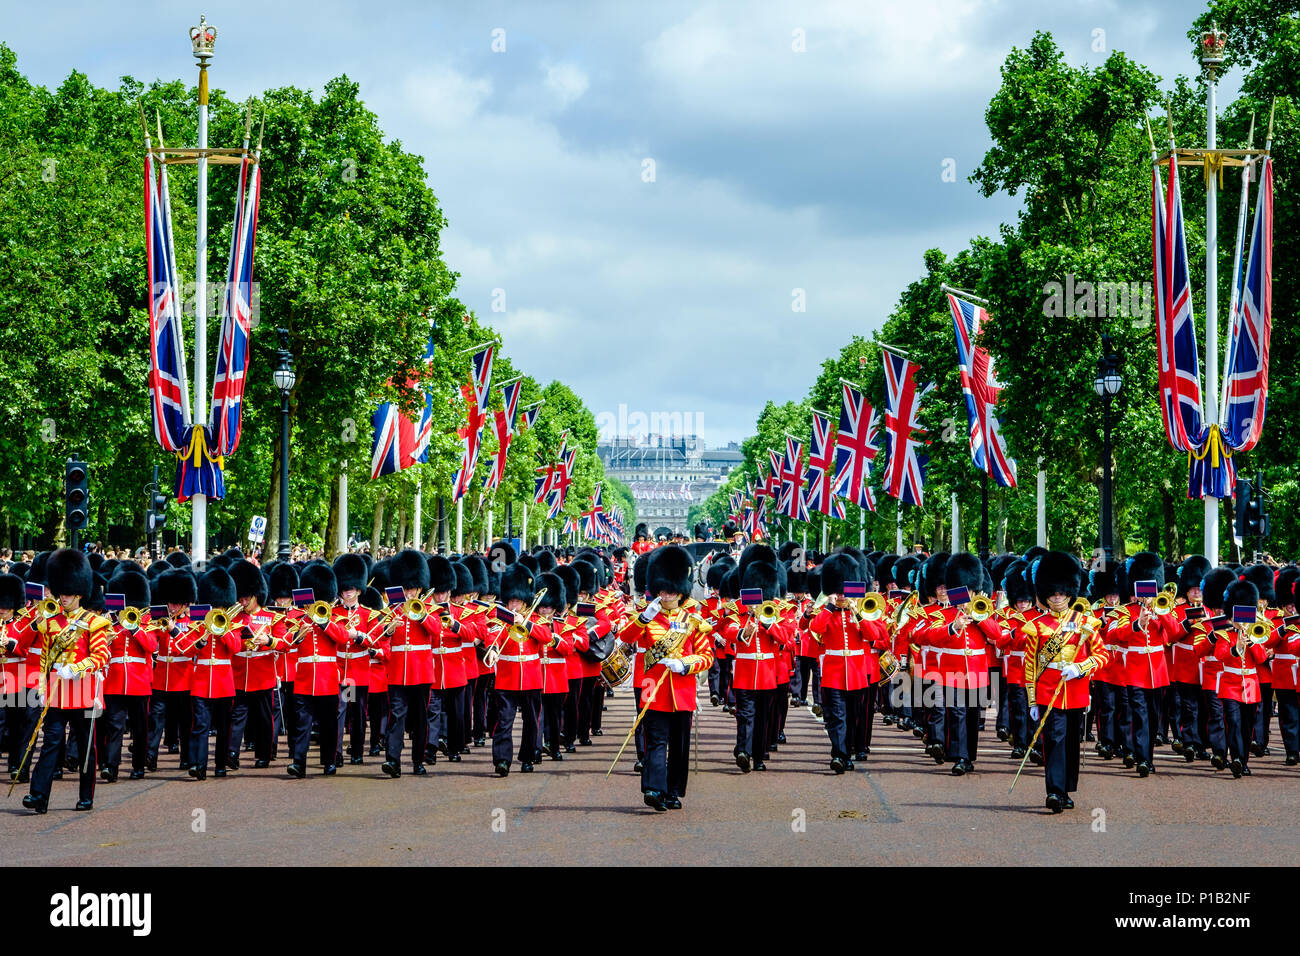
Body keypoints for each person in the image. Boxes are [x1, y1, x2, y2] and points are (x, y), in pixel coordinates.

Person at [618, 545, 714, 811]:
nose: (667, 595)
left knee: (680, 747)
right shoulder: (648, 618)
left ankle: (673, 791)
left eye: (671, 591)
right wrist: (642, 619)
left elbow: (707, 656)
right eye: (663, 590)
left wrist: (684, 664)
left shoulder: (693, 621)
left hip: (682, 692)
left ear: (680, 590)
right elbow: (625, 639)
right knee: (656, 741)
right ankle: (653, 789)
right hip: (653, 690)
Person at [20, 549, 111, 814]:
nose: (63, 597)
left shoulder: (93, 623)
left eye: (67, 593)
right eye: (61, 592)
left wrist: (77, 668)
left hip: (83, 690)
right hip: (58, 691)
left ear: (79, 593)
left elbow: (101, 657)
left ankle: (86, 796)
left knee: (85, 748)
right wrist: (42, 686)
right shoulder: (51, 622)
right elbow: (45, 657)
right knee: (51, 743)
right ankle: (38, 795)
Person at [1020, 551, 1108, 813]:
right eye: (1052, 594)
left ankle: (1067, 789)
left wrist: (1080, 667)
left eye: (1061, 593)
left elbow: (1102, 656)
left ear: (1069, 592)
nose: (1057, 598)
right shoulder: (1036, 626)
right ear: (1045, 594)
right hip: (1049, 692)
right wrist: (1033, 700)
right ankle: (1055, 791)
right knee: (1054, 740)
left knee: (1071, 742)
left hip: (1076, 690)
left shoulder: (1085, 623)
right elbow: (1030, 666)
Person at [177, 567, 243, 780]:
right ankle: (198, 764)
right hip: (202, 680)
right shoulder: (198, 623)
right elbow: (185, 648)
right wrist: (203, 638)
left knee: (224, 728)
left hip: (223, 681)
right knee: (200, 726)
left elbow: (236, 647)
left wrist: (221, 631)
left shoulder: (231, 624)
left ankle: (221, 764)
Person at [99, 570, 155, 781]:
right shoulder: (110, 622)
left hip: (138, 680)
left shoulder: (147, 622)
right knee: (114, 725)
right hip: (115, 680)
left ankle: (138, 766)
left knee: (140, 727)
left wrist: (134, 628)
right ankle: (111, 766)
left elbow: (151, 645)